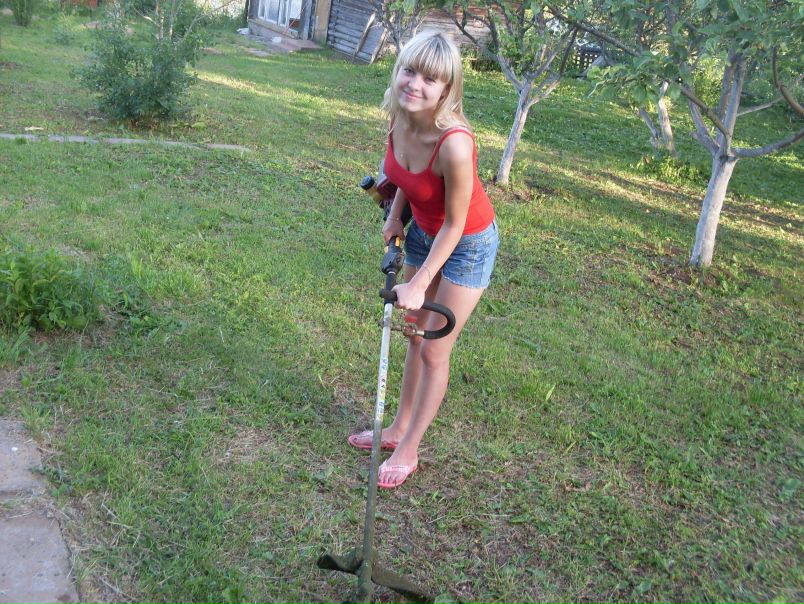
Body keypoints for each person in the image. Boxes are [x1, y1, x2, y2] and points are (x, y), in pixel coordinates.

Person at [348, 31, 499, 489]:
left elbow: (455, 225)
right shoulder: (399, 120)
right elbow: (402, 178)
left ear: (447, 89)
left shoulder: (455, 143)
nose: (415, 84)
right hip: (421, 233)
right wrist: (396, 215)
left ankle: (409, 449)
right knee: (413, 335)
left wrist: (418, 283)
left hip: (467, 243)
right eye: (409, 71)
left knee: (433, 347)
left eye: (430, 79)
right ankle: (396, 428)